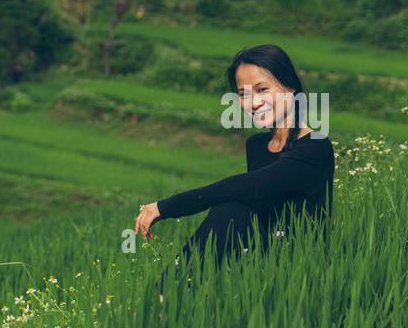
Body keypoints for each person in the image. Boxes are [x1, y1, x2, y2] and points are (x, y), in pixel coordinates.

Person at [134, 44, 334, 268]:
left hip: (300, 261)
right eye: (243, 94)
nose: (254, 103)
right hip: (261, 254)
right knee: (231, 211)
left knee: (230, 210)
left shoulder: (315, 146)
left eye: (262, 90)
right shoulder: (257, 145)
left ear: (290, 88)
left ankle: (169, 291)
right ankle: (173, 291)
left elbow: (253, 186)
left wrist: (167, 206)